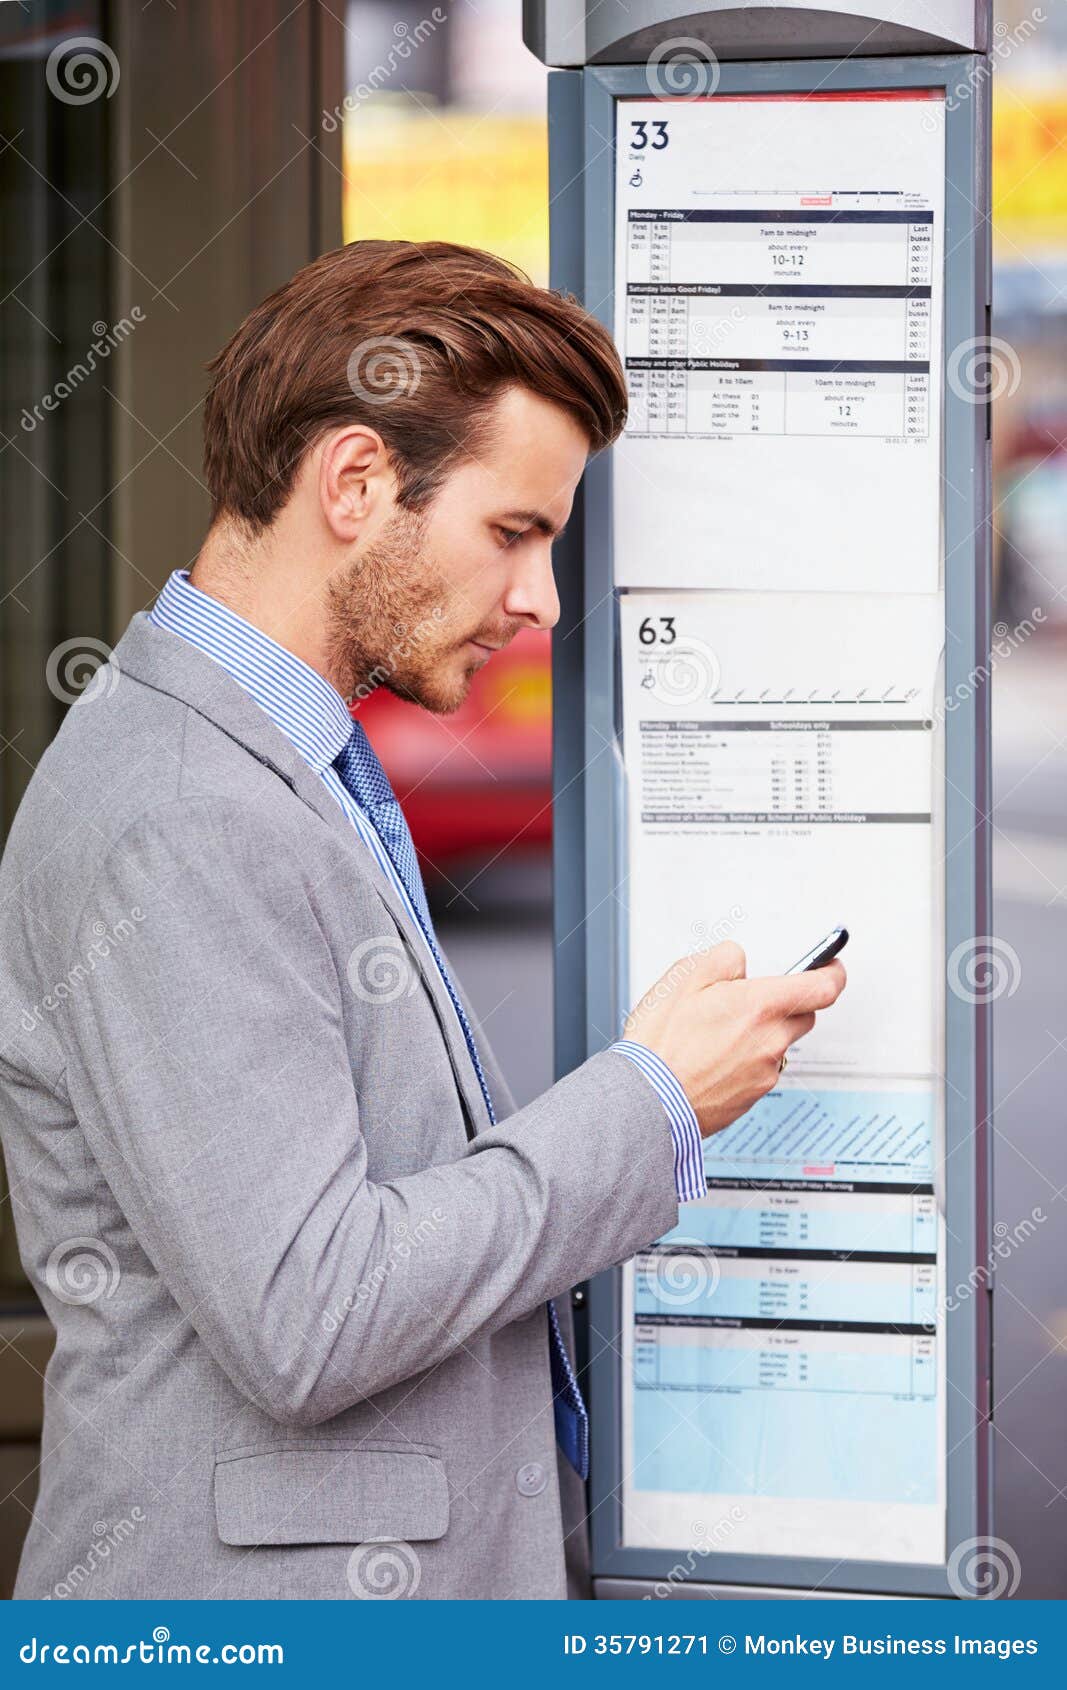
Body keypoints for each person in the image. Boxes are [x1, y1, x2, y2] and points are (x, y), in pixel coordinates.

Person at [0, 240, 845, 1600]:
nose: (541, 600)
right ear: (354, 482)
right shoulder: (185, 807)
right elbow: (312, 1315)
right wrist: (653, 1103)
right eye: (514, 533)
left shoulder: (280, 758)